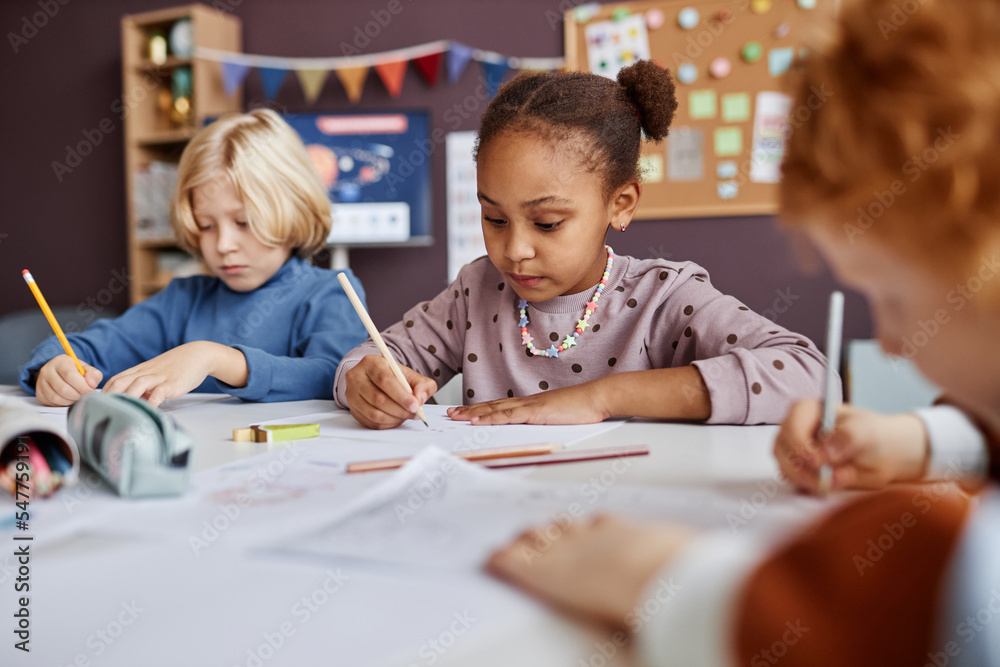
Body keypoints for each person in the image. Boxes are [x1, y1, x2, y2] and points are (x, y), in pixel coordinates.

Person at [486, 0, 1000, 664]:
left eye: (895, 298)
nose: (895, 341)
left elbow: (929, 598)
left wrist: (665, 577)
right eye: (493, 217)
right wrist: (922, 440)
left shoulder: (668, 290)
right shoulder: (477, 288)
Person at [334, 61, 830, 429]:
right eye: (494, 218)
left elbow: (810, 376)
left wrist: (605, 396)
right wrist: (367, 381)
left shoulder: (662, 298)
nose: (515, 250)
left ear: (621, 204)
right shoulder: (476, 290)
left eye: (547, 223)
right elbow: (366, 359)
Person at [20, 109, 368, 406]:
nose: (223, 245)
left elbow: (337, 378)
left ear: (295, 210)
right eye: (206, 226)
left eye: (244, 222)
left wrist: (213, 358)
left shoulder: (331, 291)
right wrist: (54, 367)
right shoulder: (183, 300)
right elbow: (85, 347)